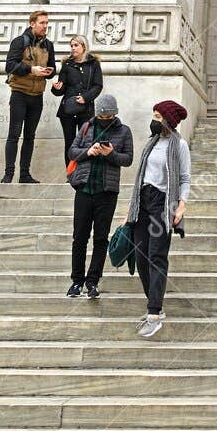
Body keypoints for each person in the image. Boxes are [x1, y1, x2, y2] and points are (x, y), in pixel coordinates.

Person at [126, 99, 191, 339]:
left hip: (163, 204)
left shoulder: (179, 145)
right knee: (141, 257)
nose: (153, 120)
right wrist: (129, 211)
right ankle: (156, 304)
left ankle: (154, 313)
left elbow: (184, 177)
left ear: (167, 119)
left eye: (157, 116)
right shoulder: (151, 143)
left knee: (156, 256)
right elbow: (141, 176)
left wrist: (181, 206)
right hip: (142, 202)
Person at [66, 93, 133, 299]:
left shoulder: (123, 131)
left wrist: (110, 154)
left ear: (115, 114)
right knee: (79, 237)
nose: (105, 119)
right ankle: (76, 281)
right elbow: (72, 152)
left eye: (109, 116)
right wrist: (89, 151)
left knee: (101, 238)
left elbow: (128, 159)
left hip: (107, 191)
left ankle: (93, 281)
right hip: (84, 189)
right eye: (102, 116)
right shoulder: (87, 127)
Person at [2, 9, 56, 184]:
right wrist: (31, 69)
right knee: (14, 134)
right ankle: (8, 174)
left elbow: (52, 68)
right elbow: (10, 65)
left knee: (30, 136)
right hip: (19, 93)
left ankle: (24, 174)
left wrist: (49, 72)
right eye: (42, 23)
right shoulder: (19, 42)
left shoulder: (48, 45)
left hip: (37, 95)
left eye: (47, 23)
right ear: (32, 23)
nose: (45, 27)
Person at [50, 36, 104, 165]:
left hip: (86, 110)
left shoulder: (94, 64)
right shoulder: (67, 64)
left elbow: (98, 86)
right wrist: (57, 88)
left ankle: (82, 172)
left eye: (76, 45)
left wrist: (85, 98)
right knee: (70, 142)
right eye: (72, 45)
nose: (73, 48)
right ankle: (70, 173)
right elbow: (61, 90)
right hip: (67, 110)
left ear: (83, 47)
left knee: (85, 142)